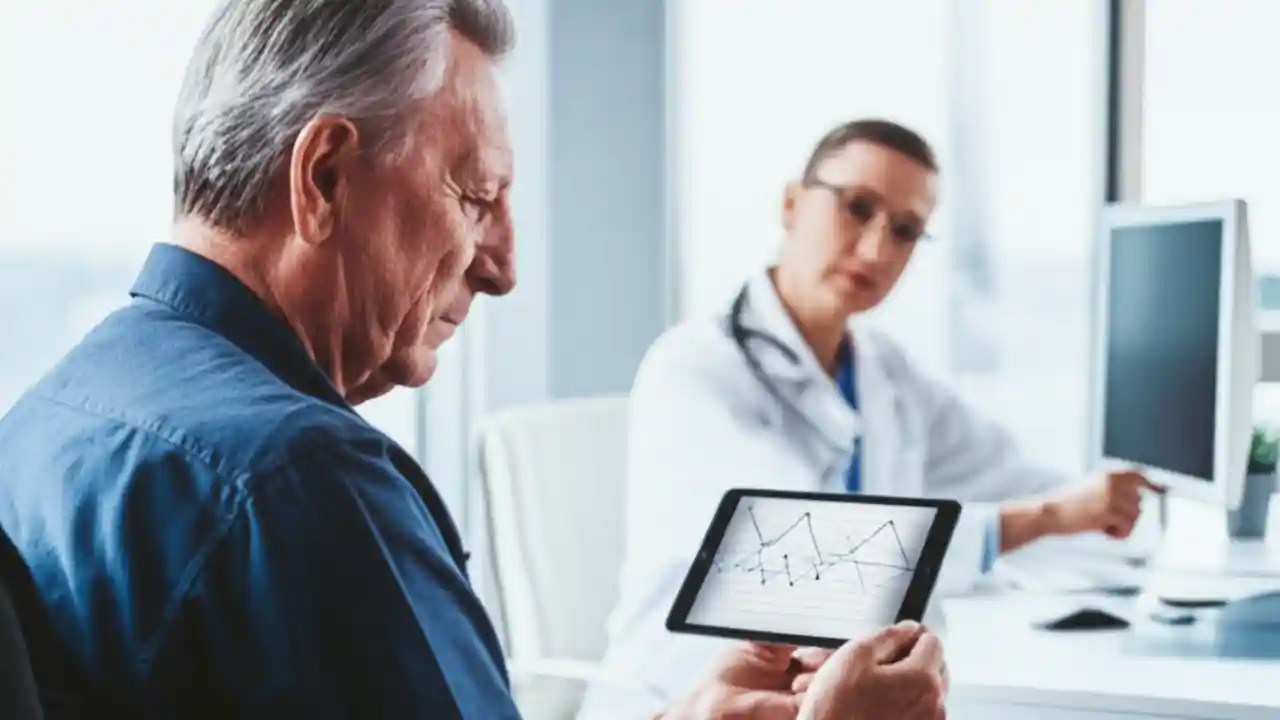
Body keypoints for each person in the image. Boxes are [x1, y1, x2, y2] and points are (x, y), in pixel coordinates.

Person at [0, 3, 948, 717]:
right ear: (323, 178)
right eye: (475, 196)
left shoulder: (51, 413)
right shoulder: (301, 481)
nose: (502, 268)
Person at [578, 119, 1163, 716]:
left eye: (905, 230)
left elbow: (1012, 474)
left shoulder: (886, 372)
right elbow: (815, 552)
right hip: (682, 702)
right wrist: (1050, 517)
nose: (877, 248)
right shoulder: (695, 368)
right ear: (790, 203)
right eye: (857, 208)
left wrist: (1109, 503)